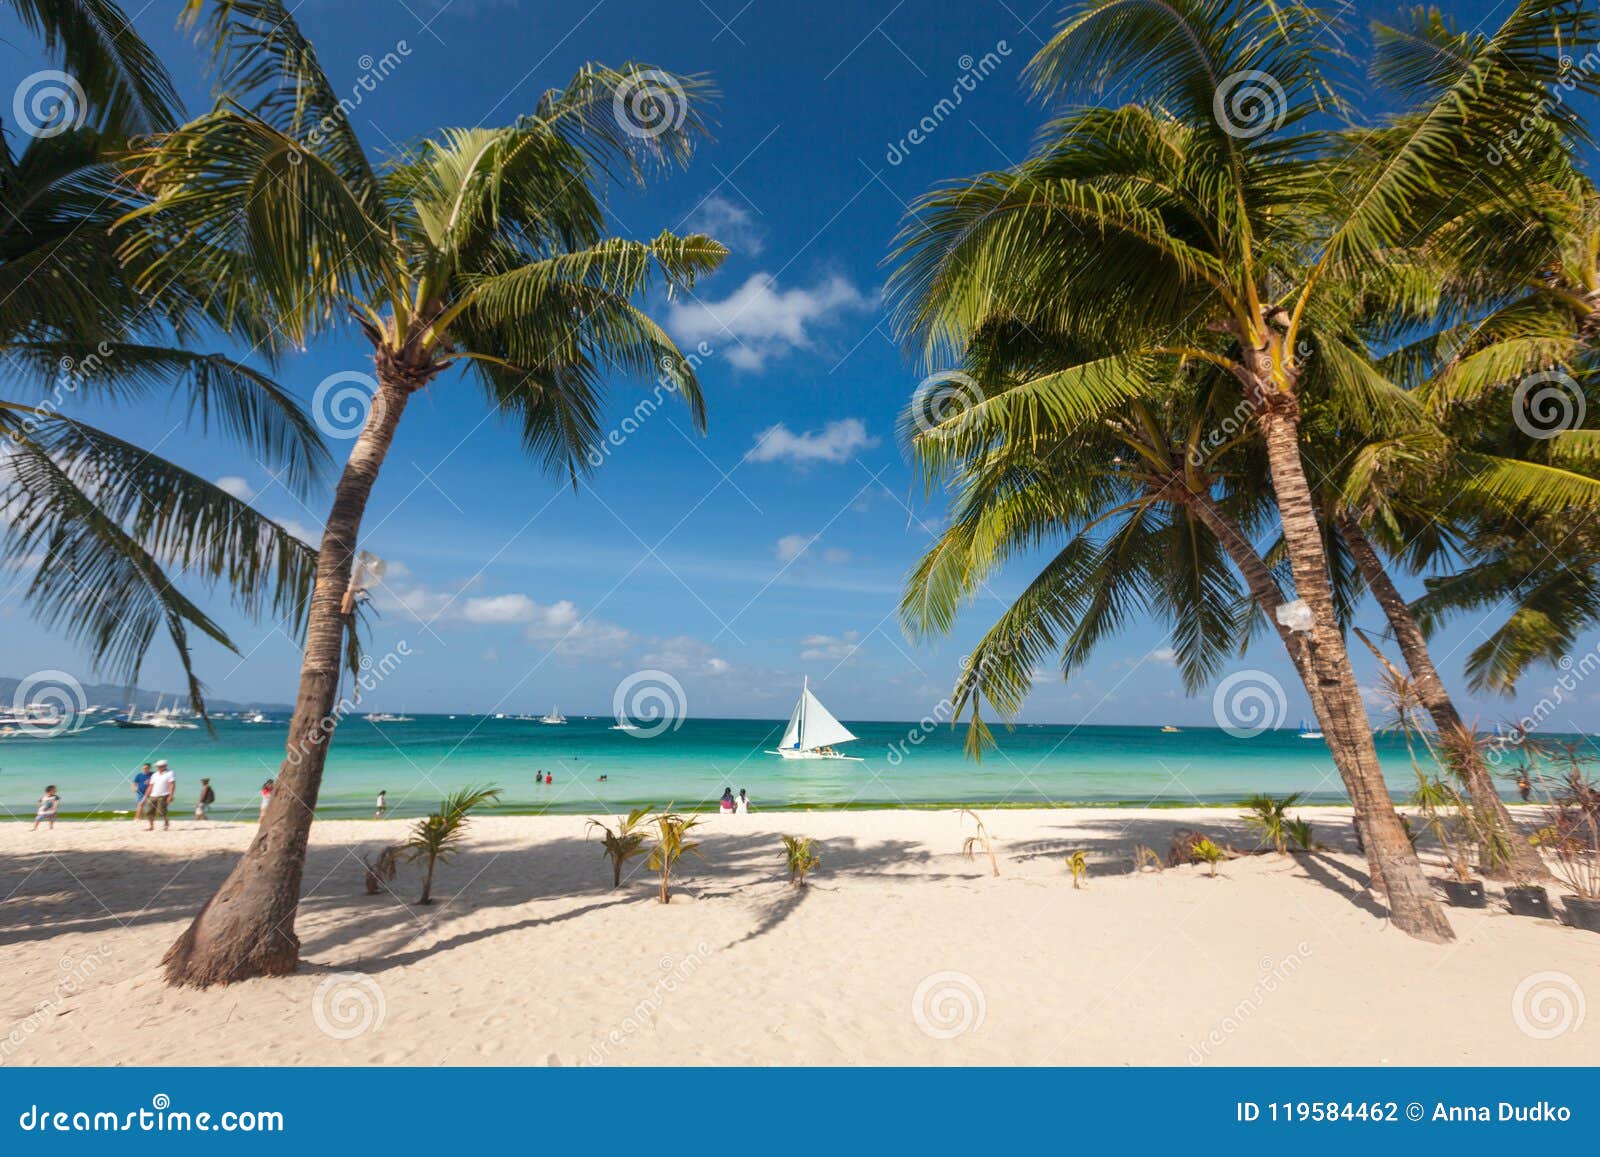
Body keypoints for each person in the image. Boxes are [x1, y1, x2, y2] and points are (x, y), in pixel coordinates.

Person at [143, 760, 176, 831]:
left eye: (159, 766)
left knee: (161, 812)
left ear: (164, 766)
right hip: (153, 795)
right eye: (157, 766)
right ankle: (151, 826)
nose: (157, 768)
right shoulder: (154, 775)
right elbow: (150, 786)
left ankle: (166, 823)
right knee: (149, 811)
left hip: (164, 795)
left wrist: (171, 795)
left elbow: (172, 785)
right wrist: (145, 796)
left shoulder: (170, 773)